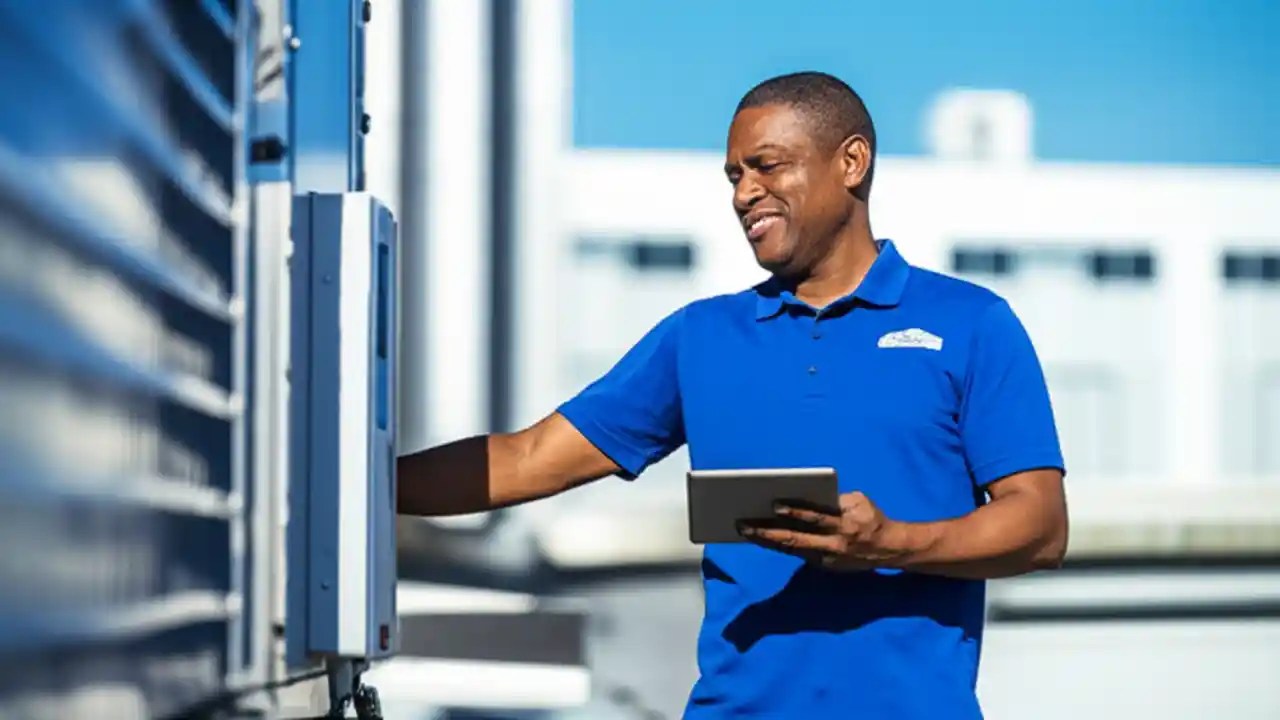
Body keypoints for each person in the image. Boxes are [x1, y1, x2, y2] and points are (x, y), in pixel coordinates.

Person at [397, 70, 1068, 719]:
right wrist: (349, 484)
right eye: (734, 176)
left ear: (852, 162)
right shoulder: (700, 337)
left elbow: (1040, 527)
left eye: (767, 166)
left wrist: (891, 542)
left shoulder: (972, 323)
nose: (745, 193)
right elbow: (526, 458)